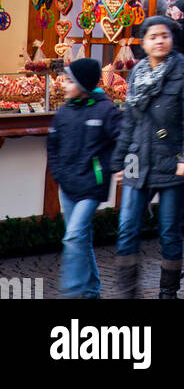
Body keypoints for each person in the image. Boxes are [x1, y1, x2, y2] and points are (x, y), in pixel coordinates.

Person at [112, 16, 184, 299]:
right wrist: (118, 161)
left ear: (172, 39)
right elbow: (128, 122)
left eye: (164, 35)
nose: (159, 41)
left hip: (171, 160)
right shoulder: (137, 73)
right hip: (137, 160)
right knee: (127, 227)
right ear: (144, 42)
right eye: (153, 37)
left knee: (168, 230)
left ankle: (168, 292)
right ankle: (127, 291)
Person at [47, 57, 122, 300]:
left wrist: (119, 167)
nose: (64, 85)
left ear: (82, 84)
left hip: (92, 186)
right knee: (81, 239)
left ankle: (71, 291)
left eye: (69, 81)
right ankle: (91, 291)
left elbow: (122, 140)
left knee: (73, 236)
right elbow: (53, 146)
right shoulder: (63, 112)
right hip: (67, 186)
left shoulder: (106, 110)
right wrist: (59, 175)